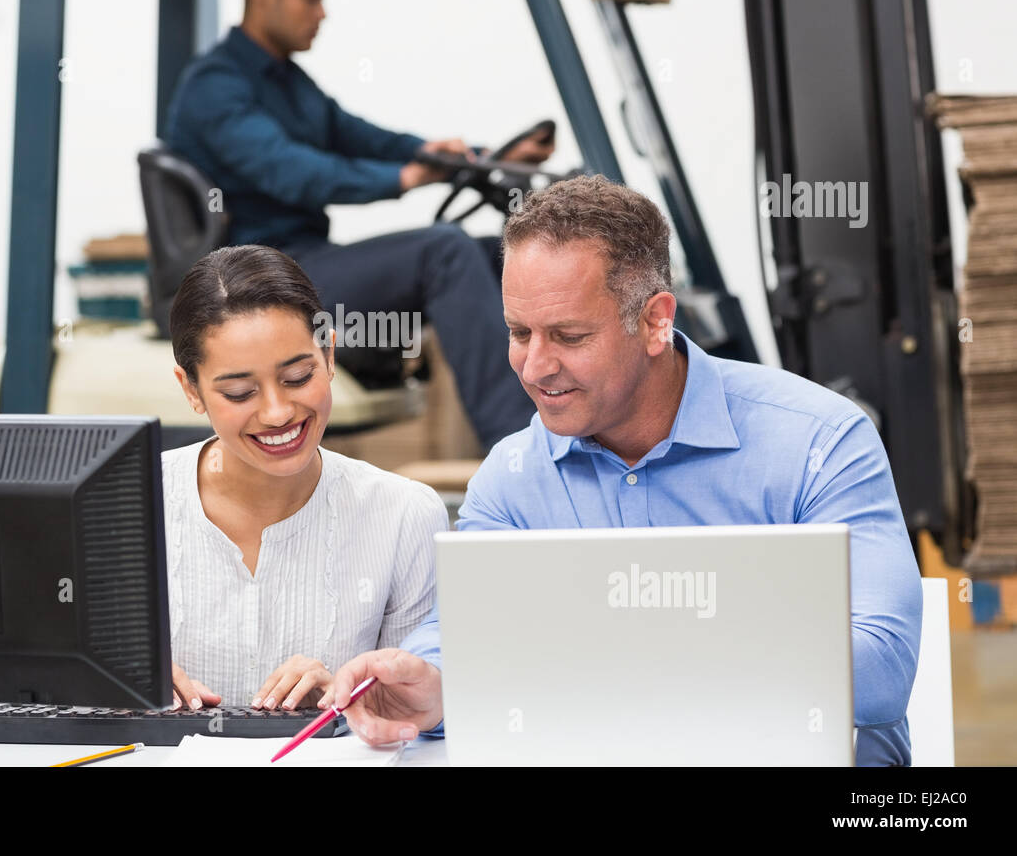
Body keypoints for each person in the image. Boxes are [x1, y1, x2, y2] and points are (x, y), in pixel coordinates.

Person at [325, 174, 924, 766]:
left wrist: (613, 653)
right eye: (518, 332)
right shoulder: (510, 477)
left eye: (569, 335)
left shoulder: (819, 441)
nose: (534, 367)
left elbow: (881, 668)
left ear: (657, 321)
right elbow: (462, 637)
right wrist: (429, 686)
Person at [164, 0, 549, 449]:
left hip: (308, 264)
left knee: (497, 253)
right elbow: (294, 171)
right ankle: (525, 455)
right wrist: (405, 179)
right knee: (445, 252)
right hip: (258, 282)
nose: (321, 12)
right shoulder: (215, 88)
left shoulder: (290, 83)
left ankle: (578, 421)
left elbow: (361, 136)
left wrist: (470, 157)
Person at [162, 244, 448, 710]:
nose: (277, 413)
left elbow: (416, 715)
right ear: (191, 390)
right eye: (239, 392)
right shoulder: (128, 509)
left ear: (330, 355)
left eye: (297, 377)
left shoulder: (404, 515)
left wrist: (352, 701)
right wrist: (116, 695)